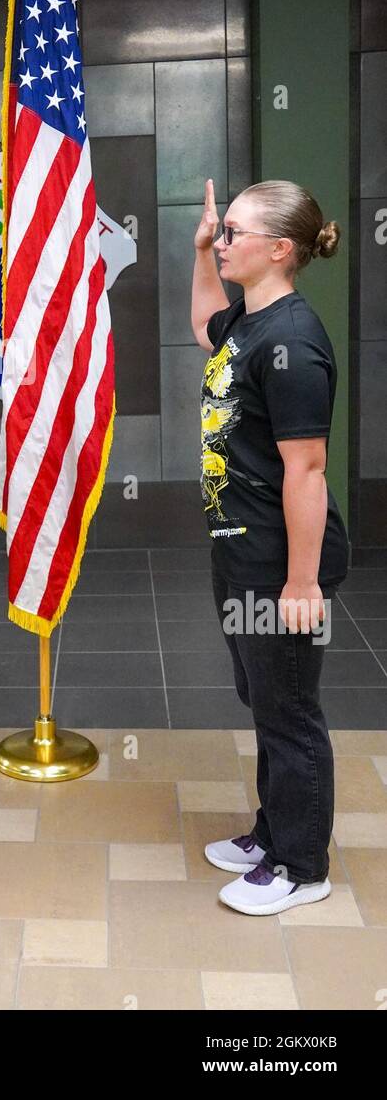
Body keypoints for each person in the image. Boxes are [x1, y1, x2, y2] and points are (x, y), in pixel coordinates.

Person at [190, 177, 348, 917]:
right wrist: (200, 252)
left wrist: (302, 583)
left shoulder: (292, 341)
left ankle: (301, 864)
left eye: (233, 235)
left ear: (279, 249)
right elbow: (203, 328)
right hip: (242, 554)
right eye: (223, 233)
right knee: (263, 697)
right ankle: (271, 831)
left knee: (288, 709)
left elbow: (307, 468)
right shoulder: (248, 325)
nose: (224, 241)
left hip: (281, 566)